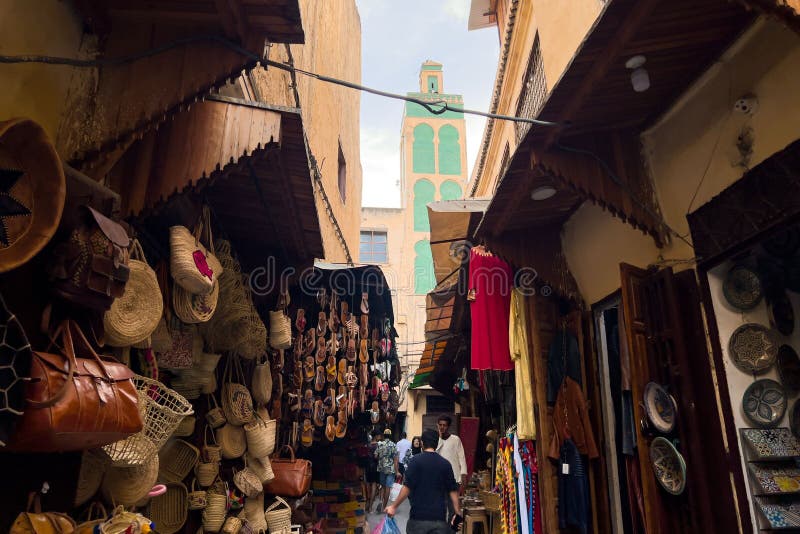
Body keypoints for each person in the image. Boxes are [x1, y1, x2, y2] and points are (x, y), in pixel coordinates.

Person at [386, 429, 462, 534]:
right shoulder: (445, 464)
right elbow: (453, 491)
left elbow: (407, 487)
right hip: (439, 521)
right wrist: (458, 513)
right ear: (437, 443)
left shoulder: (415, 461)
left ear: (422, 443)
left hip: (418, 520)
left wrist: (394, 506)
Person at [436, 415, 467, 519]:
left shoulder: (455, 439)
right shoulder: (435, 440)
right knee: (441, 508)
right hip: (439, 479)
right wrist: (439, 437)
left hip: (454, 479)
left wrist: (463, 474)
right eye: (440, 425)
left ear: (448, 426)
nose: (442, 427)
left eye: (444, 425)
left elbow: (462, 457)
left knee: (453, 508)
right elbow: (435, 452)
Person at [374, 428, 398, 511]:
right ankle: (384, 506)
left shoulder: (380, 444)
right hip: (391, 469)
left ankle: (381, 500)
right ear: (390, 435)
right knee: (388, 487)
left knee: (383, 486)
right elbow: (396, 460)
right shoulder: (393, 445)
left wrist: (382, 458)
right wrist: (397, 471)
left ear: (384, 435)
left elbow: (375, 456)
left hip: (382, 468)